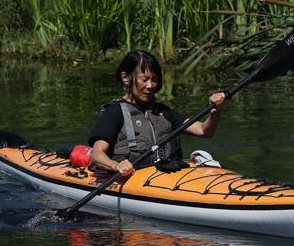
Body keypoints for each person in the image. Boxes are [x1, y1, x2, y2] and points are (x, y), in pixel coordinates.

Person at [87, 50, 226, 178]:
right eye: (144, 79)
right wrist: (116, 165)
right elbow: (97, 154)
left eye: (154, 80)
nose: (150, 85)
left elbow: (204, 131)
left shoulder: (163, 111)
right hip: (133, 178)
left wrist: (215, 111)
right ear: (125, 78)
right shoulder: (114, 112)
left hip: (171, 174)